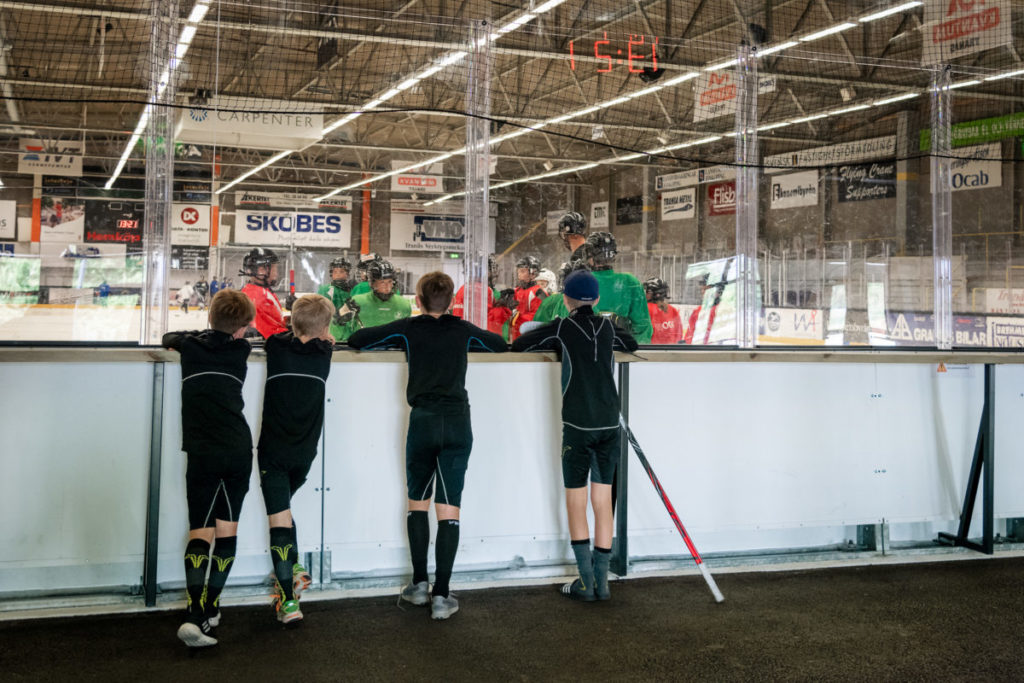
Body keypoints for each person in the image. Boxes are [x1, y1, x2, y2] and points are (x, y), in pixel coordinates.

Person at [347, 272, 507, 619]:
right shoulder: (463, 329)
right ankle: (442, 595)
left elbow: (359, 338)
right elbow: (499, 343)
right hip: (457, 422)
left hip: (422, 421)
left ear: (417, 300)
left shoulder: (409, 327)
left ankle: (419, 584)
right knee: (449, 509)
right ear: (451, 301)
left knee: (417, 505)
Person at [511, 271, 637, 601]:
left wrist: (547, 331)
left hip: (578, 426)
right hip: (609, 423)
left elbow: (522, 344)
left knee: (576, 500)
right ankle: (603, 581)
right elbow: (632, 343)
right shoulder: (609, 327)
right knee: (602, 499)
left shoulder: (563, 328)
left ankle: (584, 582)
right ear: (596, 300)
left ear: (565, 299)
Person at [161, 289, 257, 648]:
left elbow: (169, 337)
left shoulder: (190, 346)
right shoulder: (241, 349)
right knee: (226, 531)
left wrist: (195, 335)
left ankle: (194, 612)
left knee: (200, 531)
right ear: (242, 328)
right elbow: (243, 335)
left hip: (201, 449)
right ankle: (212, 606)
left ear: (209, 317)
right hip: (236, 448)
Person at [258, 294, 335, 625]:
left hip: (273, 452)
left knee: (278, 520)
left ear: (291, 321)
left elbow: (276, 333)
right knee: (284, 510)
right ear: (325, 329)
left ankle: (288, 601)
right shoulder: (325, 354)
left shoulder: (276, 346)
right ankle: (297, 567)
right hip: (305, 455)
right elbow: (324, 338)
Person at [533, 233, 653, 344]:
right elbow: (643, 327)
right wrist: (631, 354)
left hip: (586, 353)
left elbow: (565, 323)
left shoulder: (581, 281)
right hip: (621, 356)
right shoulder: (630, 282)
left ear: (588, 255)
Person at [335, 259, 411, 343]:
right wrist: (339, 319)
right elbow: (339, 335)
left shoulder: (404, 305)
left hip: (395, 354)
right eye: (382, 282)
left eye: (390, 281)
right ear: (372, 283)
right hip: (363, 354)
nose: (387, 287)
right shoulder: (357, 302)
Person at [239, 247, 288, 339]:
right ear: (262, 270)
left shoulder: (261, 290)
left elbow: (273, 320)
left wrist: (290, 322)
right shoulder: (257, 296)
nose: (276, 273)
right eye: (274, 268)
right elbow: (268, 332)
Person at [507, 255, 547, 341]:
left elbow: (539, 318)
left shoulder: (539, 293)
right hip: (515, 337)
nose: (519, 275)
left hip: (530, 339)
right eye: (518, 272)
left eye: (522, 271)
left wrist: (516, 316)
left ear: (533, 273)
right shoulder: (517, 291)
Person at [316, 256, 355, 341]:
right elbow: (321, 313)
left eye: (341, 271)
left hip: (348, 335)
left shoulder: (351, 290)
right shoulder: (326, 289)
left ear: (347, 274)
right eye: (335, 271)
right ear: (331, 274)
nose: (338, 274)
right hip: (331, 335)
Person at [644, 277, 683, 345]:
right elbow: (679, 334)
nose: (645, 294)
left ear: (654, 293)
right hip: (671, 351)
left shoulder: (646, 308)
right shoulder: (672, 310)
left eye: (647, 292)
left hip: (651, 351)